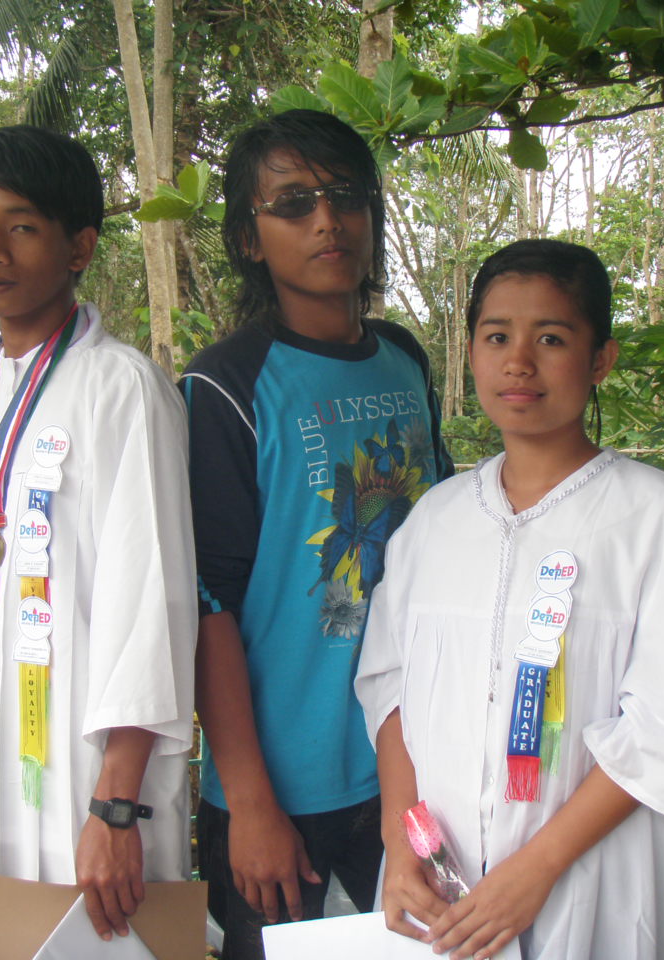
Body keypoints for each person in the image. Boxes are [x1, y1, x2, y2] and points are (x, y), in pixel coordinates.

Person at [355, 239, 664, 960]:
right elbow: (388, 690)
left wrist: (533, 872)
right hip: (441, 882)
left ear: (601, 359)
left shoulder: (657, 520)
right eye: (497, 336)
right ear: (470, 350)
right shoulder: (434, 523)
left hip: (594, 882)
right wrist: (400, 836)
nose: (519, 361)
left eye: (553, 339)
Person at [0, 125, 196, 941]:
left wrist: (116, 804)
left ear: (80, 245)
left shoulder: (123, 391)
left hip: (82, 787)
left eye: (20, 226)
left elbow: (148, 605)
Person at [181, 108, 454, 959]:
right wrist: (250, 801)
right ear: (250, 238)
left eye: (345, 196)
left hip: (416, 768)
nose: (327, 221)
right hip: (283, 787)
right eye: (293, 203)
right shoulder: (225, 385)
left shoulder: (404, 358)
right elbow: (208, 604)